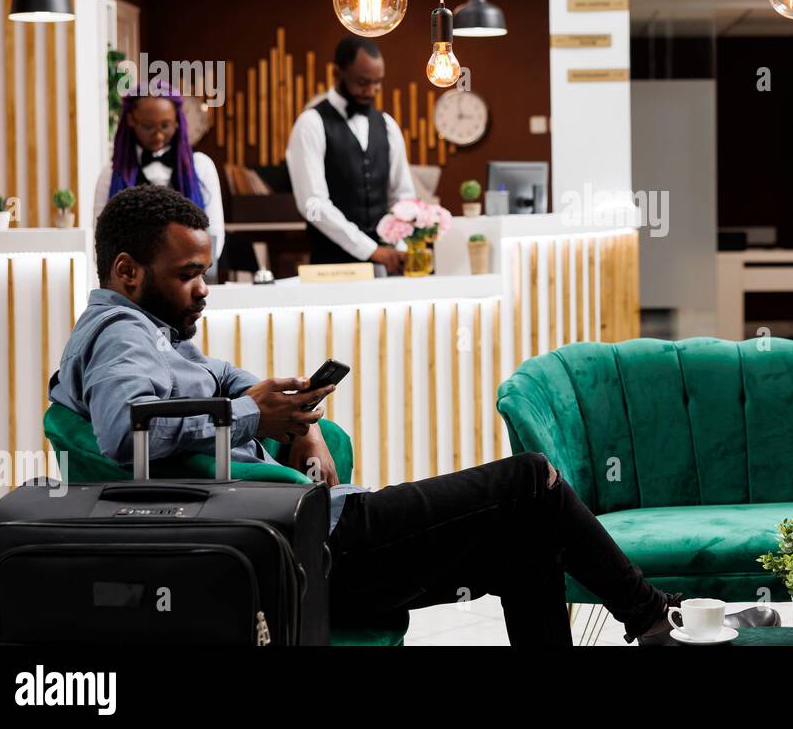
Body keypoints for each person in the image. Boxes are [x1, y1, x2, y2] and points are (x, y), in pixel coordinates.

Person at [50, 184, 683, 645]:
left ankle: (649, 620)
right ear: (127, 271)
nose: (205, 289)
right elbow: (122, 426)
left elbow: (223, 377)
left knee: (526, 541)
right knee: (530, 481)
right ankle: (653, 617)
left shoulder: (158, 331)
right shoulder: (121, 336)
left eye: (206, 273)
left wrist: (303, 421)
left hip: (308, 528)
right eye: (188, 274)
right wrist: (251, 417)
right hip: (303, 546)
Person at [285, 36, 416, 274]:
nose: (371, 91)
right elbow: (313, 204)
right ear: (337, 74)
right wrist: (369, 250)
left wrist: (398, 245)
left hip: (386, 267)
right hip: (331, 269)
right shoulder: (311, 124)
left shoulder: (387, 125)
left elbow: (403, 196)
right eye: (363, 82)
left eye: (377, 83)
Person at [94, 81, 224, 260]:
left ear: (178, 121)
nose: (158, 135)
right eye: (148, 127)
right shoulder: (111, 175)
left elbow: (214, 235)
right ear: (131, 120)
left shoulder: (201, 167)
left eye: (165, 126)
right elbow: (101, 243)